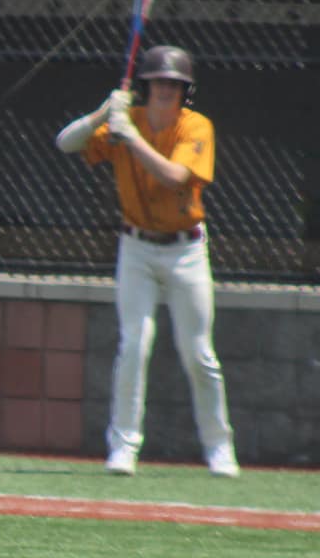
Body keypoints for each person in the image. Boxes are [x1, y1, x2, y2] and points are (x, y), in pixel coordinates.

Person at [53, 46, 234, 478]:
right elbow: (65, 143)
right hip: (135, 247)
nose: (165, 91)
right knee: (134, 345)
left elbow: (174, 176)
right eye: (158, 83)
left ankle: (219, 447)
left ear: (184, 90)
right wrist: (101, 115)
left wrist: (129, 139)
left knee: (198, 353)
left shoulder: (196, 126)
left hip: (186, 249)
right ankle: (124, 447)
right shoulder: (124, 121)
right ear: (147, 86)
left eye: (173, 84)